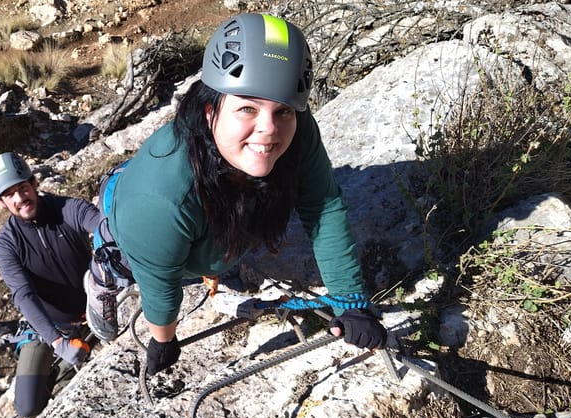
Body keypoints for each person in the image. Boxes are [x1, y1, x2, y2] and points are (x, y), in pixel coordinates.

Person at [83, 13, 387, 375]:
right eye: (247, 108)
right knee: (128, 262)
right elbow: (161, 287)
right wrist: (162, 339)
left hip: (189, 203)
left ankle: (213, 264)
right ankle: (102, 276)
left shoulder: (295, 126)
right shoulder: (158, 204)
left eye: (282, 110)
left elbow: (322, 206)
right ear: (210, 110)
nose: (269, 130)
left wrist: (350, 301)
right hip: (132, 217)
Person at [0, 152, 101, 417]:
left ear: (34, 184)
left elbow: (97, 222)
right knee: (27, 407)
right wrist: (58, 342)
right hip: (50, 326)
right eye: (10, 195)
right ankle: (58, 371)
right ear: (2, 202)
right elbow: (23, 296)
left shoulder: (66, 208)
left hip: (97, 308)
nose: (20, 198)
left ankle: (64, 372)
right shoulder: (7, 244)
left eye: (23, 188)